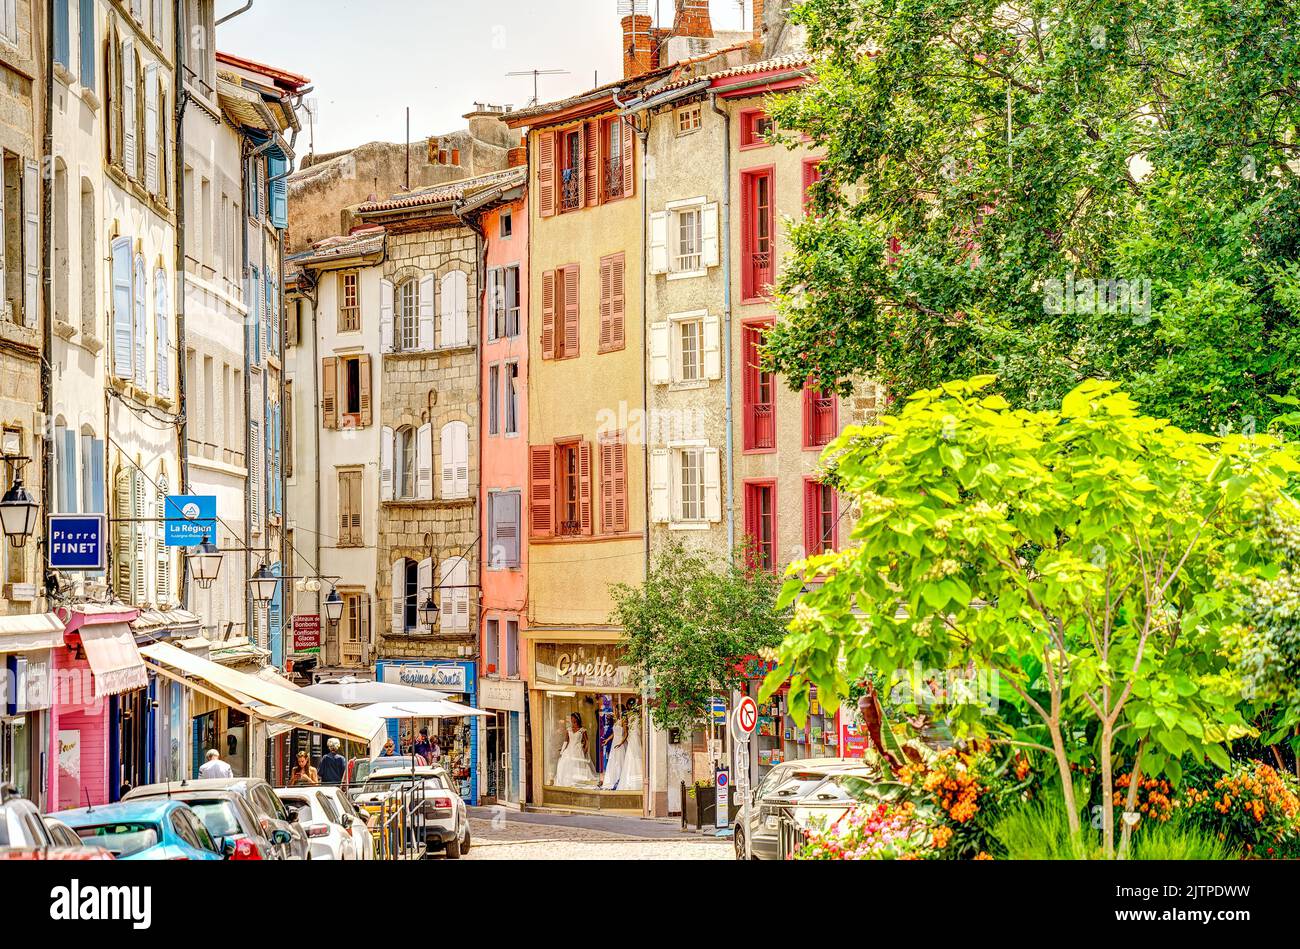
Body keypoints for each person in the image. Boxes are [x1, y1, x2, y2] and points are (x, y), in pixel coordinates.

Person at [554, 712, 598, 787]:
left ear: (577, 719)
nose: (571, 720)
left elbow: (587, 741)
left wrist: (585, 749)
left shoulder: (582, 730)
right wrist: (562, 750)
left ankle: (578, 780)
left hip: (578, 749)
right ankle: (568, 779)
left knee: (578, 764)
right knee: (564, 763)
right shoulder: (568, 730)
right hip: (569, 749)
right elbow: (566, 741)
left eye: (573, 718)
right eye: (571, 718)